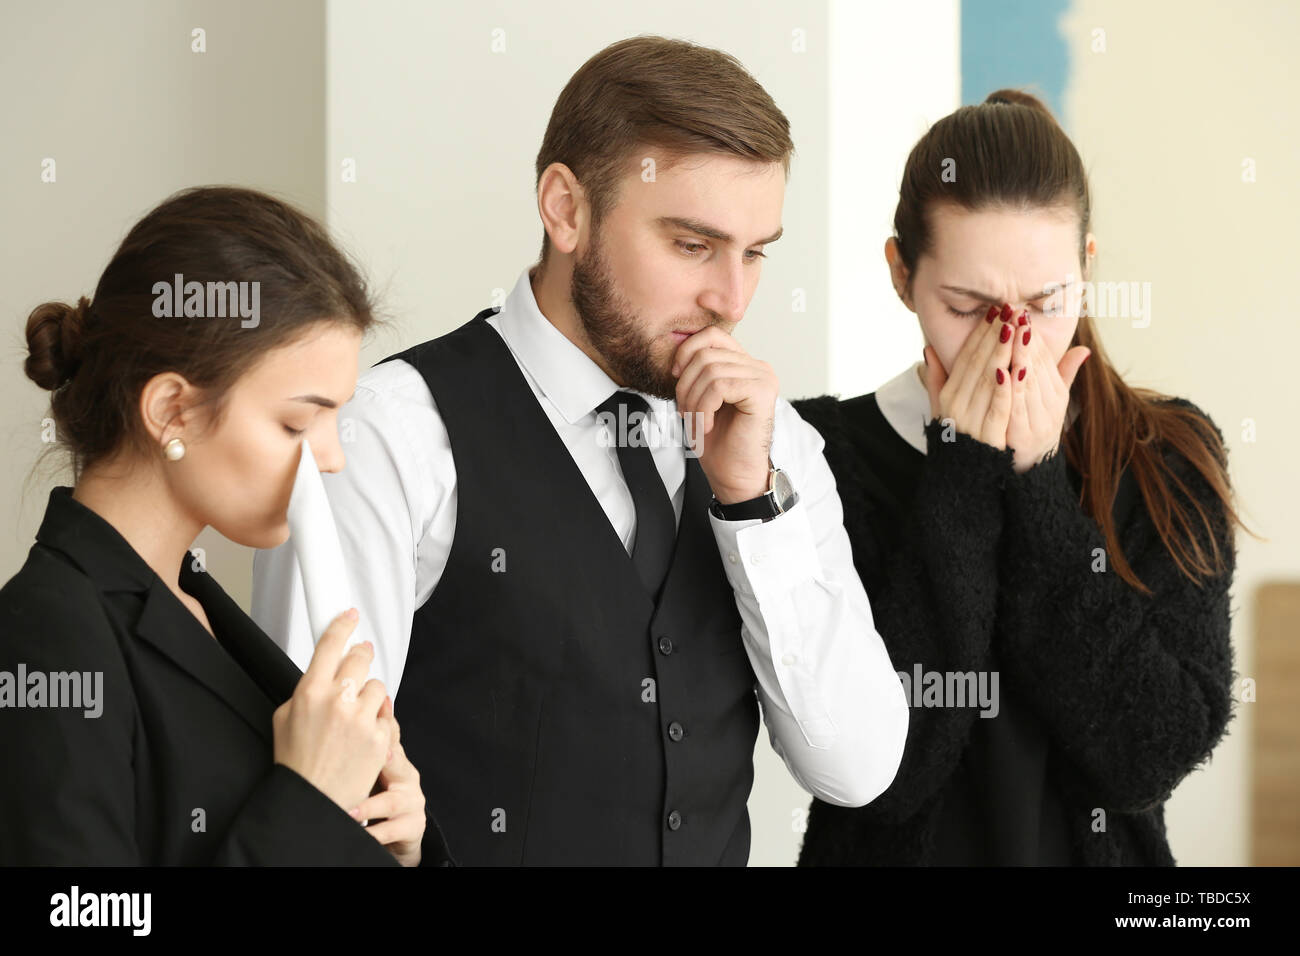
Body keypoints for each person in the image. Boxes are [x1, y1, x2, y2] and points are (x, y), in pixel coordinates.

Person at [252, 36, 909, 866]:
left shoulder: (781, 451)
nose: (731, 299)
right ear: (565, 208)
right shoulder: (388, 434)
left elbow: (857, 769)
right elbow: (319, 813)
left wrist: (750, 504)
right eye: (693, 245)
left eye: (755, 254)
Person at [792, 90, 1242, 865]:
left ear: (1087, 269)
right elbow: (888, 778)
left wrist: (1035, 483)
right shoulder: (820, 452)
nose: (1012, 341)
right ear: (902, 275)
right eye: (968, 306)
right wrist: (962, 473)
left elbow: (1146, 754)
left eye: (1046, 301)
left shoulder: (1166, 455)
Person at [0, 185, 451, 866]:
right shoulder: (48, 636)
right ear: (172, 411)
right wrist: (310, 802)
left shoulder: (197, 606)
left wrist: (393, 842)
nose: (330, 459)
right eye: (297, 423)